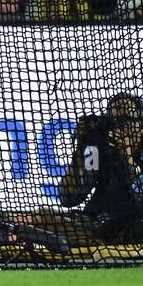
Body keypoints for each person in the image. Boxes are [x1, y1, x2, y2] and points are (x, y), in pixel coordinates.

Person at [57, 94, 143, 243]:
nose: (119, 127)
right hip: (98, 223)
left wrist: (128, 157)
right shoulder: (98, 151)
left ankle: (96, 241)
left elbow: (139, 196)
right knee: (43, 216)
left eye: (125, 120)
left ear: (140, 126)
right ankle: (96, 241)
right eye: (113, 121)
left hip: (134, 225)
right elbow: (69, 198)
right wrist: (79, 150)